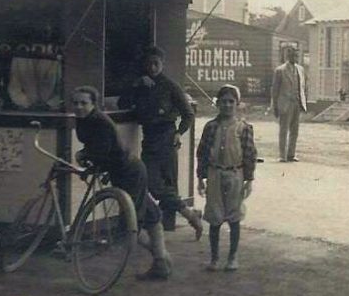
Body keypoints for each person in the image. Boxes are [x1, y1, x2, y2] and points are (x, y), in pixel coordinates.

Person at [71, 85, 173, 281]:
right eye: (75, 103)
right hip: (119, 172)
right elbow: (94, 149)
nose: (79, 107)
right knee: (150, 214)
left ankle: (161, 259)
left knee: (130, 225)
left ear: (94, 104)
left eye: (84, 103)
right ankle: (161, 261)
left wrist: (87, 161)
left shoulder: (100, 122)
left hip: (129, 172)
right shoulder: (83, 121)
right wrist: (85, 155)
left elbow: (101, 152)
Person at [118, 45, 204, 237]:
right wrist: (137, 84)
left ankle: (170, 224)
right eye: (149, 64)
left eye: (156, 63)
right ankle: (191, 215)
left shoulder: (170, 86)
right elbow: (122, 104)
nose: (153, 67)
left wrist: (179, 133)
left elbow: (188, 114)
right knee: (152, 182)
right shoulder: (141, 85)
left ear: (162, 64)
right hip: (149, 138)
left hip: (166, 136)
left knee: (167, 181)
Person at [197, 85, 257, 272]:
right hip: (215, 174)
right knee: (215, 217)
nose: (227, 105)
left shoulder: (243, 128)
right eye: (224, 101)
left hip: (235, 174)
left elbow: (249, 154)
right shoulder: (211, 127)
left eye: (231, 101)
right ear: (218, 104)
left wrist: (249, 180)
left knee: (234, 216)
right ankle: (214, 258)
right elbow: (203, 153)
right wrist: (201, 178)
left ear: (237, 104)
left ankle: (232, 257)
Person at [269, 48, 307, 163]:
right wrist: (274, 106)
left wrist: (302, 102)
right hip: (285, 103)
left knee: (295, 130)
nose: (295, 57)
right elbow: (275, 90)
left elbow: (302, 87)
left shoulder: (300, 69)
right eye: (292, 55)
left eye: (296, 55)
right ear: (287, 56)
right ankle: (282, 155)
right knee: (284, 130)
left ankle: (291, 154)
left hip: (297, 102)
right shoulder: (280, 70)